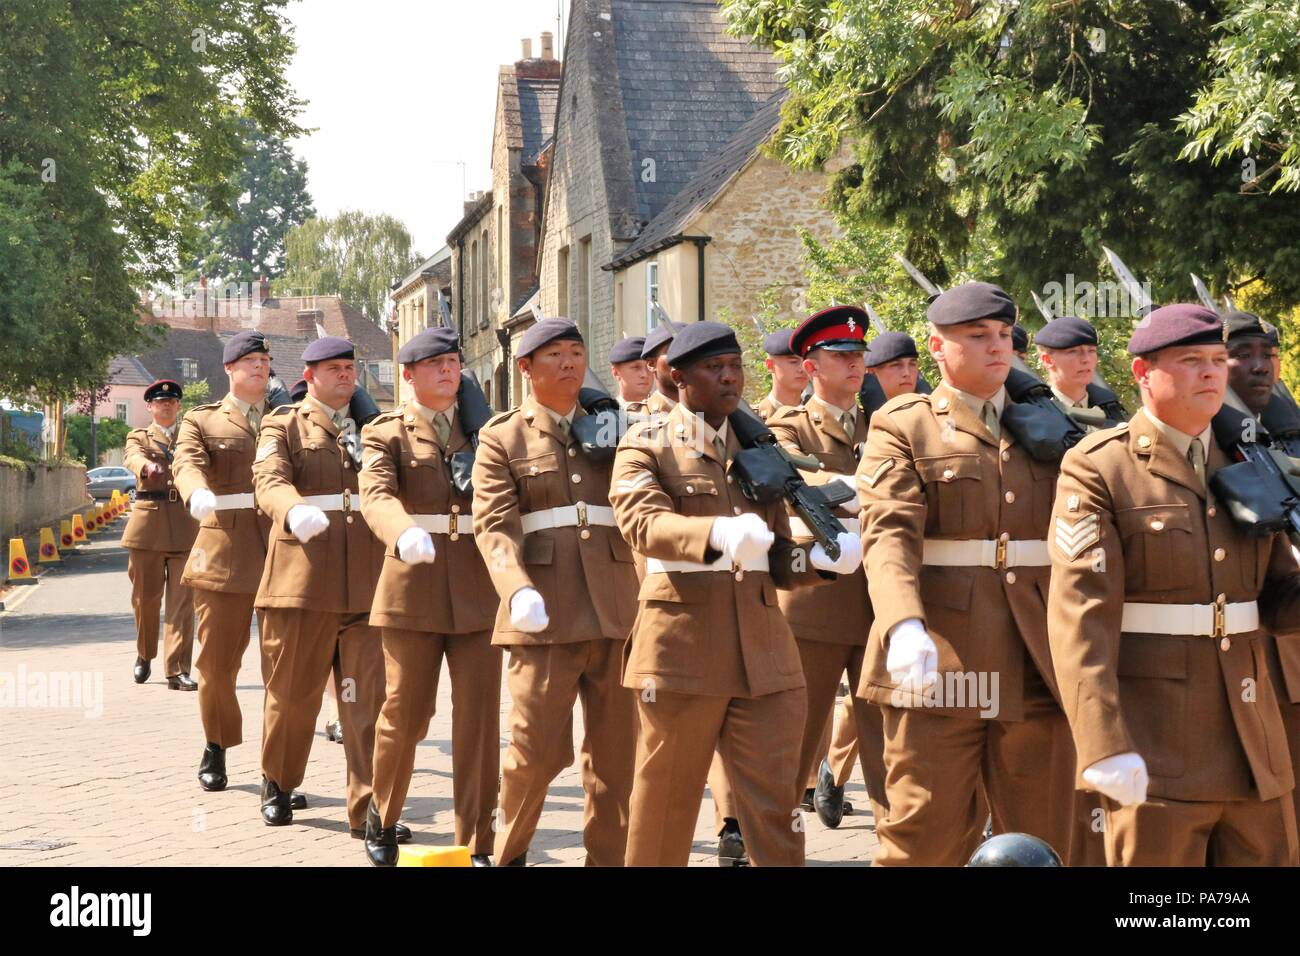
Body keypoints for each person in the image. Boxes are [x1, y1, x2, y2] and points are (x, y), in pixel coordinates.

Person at [1048, 303, 1300, 866]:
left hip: (1255, 747)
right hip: (1154, 747)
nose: (1212, 373)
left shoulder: (1249, 462)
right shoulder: (1099, 468)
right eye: (1191, 360)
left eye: (1216, 360)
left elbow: (1280, 600)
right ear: (1143, 373)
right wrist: (1104, 743)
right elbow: (1080, 618)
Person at [610, 320, 860, 866]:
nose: (729, 378)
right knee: (665, 805)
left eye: (735, 367)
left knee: (776, 807)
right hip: (682, 652)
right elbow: (643, 523)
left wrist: (815, 561)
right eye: (714, 369)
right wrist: (714, 534)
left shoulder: (758, 447)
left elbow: (771, 555)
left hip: (765, 652)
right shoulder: (645, 444)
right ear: (677, 378)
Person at [856, 282, 1080, 866]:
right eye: (977, 336)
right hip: (941, 665)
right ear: (937, 346)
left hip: (1036, 659)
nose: (996, 347)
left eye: (1004, 335)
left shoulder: (1051, 427)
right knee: (923, 837)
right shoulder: (904, 425)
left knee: (1043, 841)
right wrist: (904, 624)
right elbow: (888, 535)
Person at [472, 317, 640, 867]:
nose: (569, 363)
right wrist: (515, 588)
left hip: (617, 612)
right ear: (526, 369)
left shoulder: (615, 428)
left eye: (576, 351)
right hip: (544, 615)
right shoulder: (502, 437)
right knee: (534, 752)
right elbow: (494, 526)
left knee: (617, 758)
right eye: (554, 355)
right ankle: (509, 854)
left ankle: (607, 861)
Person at [358, 326, 502, 866]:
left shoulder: (484, 431)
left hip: (477, 590)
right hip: (412, 588)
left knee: (480, 720)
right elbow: (375, 495)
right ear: (409, 374)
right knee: (405, 711)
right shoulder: (385, 432)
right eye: (434, 363)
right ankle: (384, 814)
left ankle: (477, 840)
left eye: (453, 362)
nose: (447, 370)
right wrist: (401, 532)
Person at [252, 336, 396, 840]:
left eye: (349, 368)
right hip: (302, 584)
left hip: (365, 586)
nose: (345, 376)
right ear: (309, 376)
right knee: (293, 697)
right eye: (333, 368)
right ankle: (280, 782)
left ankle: (370, 810)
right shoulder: (282, 424)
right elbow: (268, 480)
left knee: (366, 703)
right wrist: (293, 509)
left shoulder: (374, 430)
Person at [766, 307, 888, 833]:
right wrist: (872, 493)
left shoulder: (883, 426)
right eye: (841, 357)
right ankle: (771, 840)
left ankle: (898, 841)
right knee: (793, 741)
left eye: (859, 356)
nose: (855, 365)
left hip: (880, 602)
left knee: (890, 746)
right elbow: (797, 494)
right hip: (814, 603)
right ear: (810, 367)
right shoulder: (784, 425)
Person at [123, 379, 198, 690]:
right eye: (159, 401)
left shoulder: (191, 436)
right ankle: (145, 654)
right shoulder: (139, 436)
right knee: (145, 600)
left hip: (185, 526)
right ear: (149, 407)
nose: (165, 405)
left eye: (171, 401)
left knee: (183, 604)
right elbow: (132, 457)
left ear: (178, 406)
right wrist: (146, 468)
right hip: (147, 529)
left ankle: (177, 670)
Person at [628, 323, 678, 418]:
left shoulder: (711, 414)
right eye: (672, 351)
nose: (683, 357)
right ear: (651, 364)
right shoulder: (633, 419)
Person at [756, 329, 807, 421]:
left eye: (805, 361)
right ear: (770, 365)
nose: (803, 368)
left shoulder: (822, 414)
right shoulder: (753, 420)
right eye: (793, 362)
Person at [609, 337, 651, 408]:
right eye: (636, 367)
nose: (645, 374)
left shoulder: (668, 411)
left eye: (649, 366)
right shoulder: (605, 413)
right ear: (616, 372)